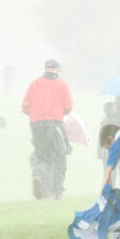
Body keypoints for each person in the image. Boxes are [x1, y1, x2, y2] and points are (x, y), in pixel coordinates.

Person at [21, 59, 74, 200]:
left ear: (45, 69)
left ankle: (37, 176)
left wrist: (36, 113)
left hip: (36, 125)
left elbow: (25, 106)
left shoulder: (34, 84)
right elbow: (68, 107)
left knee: (41, 155)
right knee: (59, 157)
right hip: (55, 124)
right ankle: (58, 191)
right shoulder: (62, 84)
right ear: (57, 70)